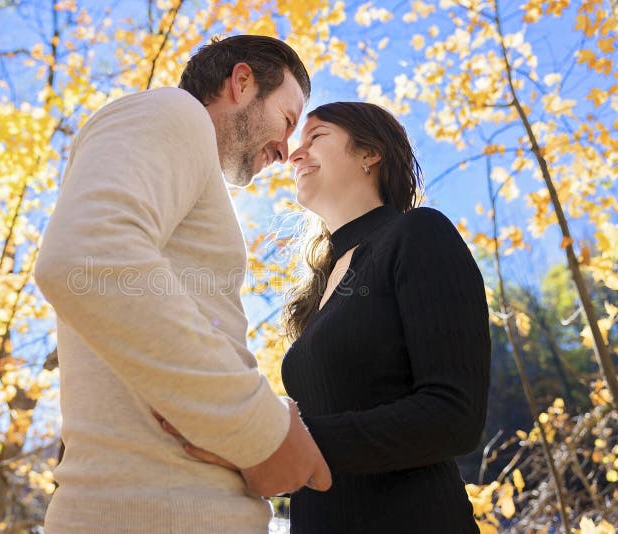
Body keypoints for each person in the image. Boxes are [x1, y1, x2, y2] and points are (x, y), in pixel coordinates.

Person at [33, 35, 331, 534]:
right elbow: (88, 256)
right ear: (241, 82)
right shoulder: (174, 111)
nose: (286, 149)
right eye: (286, 119)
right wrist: (260, 430)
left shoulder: (184, 158)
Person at [168, 102, 491, 532]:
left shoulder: (418, 234)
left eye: (315, 137)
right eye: (296, 143)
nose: (294, 154)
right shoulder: (317, 292)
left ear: (369, 153)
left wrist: (278, 441)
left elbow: (454, 417)